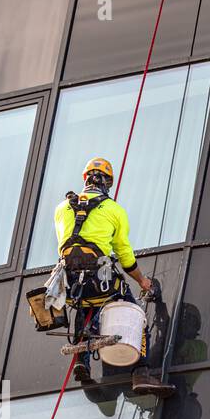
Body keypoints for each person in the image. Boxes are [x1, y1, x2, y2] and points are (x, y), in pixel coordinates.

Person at [54, 157, 173, 396]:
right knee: (134, 312)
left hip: (70, 283)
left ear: (85, 179)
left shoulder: (61, 209)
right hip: (102, 281)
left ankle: (81, 360)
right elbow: (125, 255)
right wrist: (142, 281)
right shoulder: (114, 210)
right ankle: (141, 372)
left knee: (85, 309)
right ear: (107, 182)